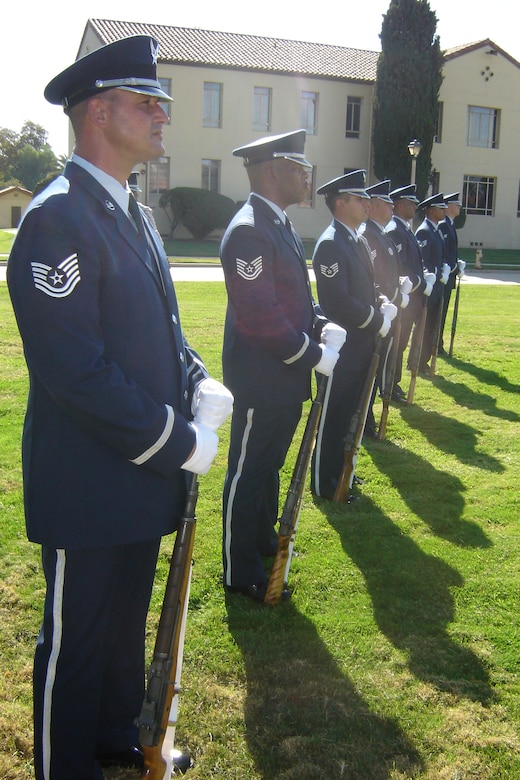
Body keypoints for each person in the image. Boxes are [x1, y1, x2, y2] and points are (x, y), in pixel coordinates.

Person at [7, 35, 232, 780]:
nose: (163, 116)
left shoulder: (130, 211)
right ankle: (62, 768)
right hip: (88, 483)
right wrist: (178, 441)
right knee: (75, 646)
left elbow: (158, 331)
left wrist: (196, 379)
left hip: (137, 479)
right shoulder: (56, 218)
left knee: (123, 632)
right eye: (149, 103)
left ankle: (111, 746)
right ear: (99, 112)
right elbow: (77, 373)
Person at [220, 130, 345, 601]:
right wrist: (314, 354)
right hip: (260, 375)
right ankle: (238, 568)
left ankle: (260, 541)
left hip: (284, 374)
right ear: (271, 172)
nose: (306, 176)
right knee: (248, 471)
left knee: (268, 466)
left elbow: (295, 302)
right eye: (298, 168)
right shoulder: (251, 229)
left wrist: (321, 324)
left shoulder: (281, 225)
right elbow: (260, 317)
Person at [310, 171, 397, 500]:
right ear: (340, 203)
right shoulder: (332, 243)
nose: (366, 203)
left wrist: (383, 301)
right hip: (343, 348)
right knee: (334, 415)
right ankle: (323, 481)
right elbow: (337, 302)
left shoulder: (356, 238)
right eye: (359, 199)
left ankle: (343, 471)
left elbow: (369, 286)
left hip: (361, 346)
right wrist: (376, 320)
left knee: (352, 414)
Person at [362, 180, 411, 407]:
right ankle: (367, 415)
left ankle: (374, 405)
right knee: (375, 363)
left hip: (389, 309)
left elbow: (389, 272)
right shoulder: (370, 234)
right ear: (371, 206)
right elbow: (378, 278)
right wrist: (396, 298)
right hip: (382, 309)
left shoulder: (380, 233)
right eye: (386, 203)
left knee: (385, 359)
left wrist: (400, 285)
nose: (392, 207)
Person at [386, 185, 436, 395]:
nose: (415, 206)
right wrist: (421, 283)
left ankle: (393, 382)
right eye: (410, 202)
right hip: (405, 298)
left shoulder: (405, 228)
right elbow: (402, 267)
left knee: (402, 342)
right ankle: (389, 384)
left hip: (412, 299)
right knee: (397, 344)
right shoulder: (395, 230)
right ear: (398, 205)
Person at [414, 192, 450, 376]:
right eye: (440, 207)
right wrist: (435, 272)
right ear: (430, 210)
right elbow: (423, 261)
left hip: (437, 288)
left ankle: (424, 360)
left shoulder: (436, 229)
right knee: (424, 327)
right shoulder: (424, 231)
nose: (444, 210)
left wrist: (444, 267)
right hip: (429, 288)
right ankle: (418, 362)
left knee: (432, 326)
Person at [438, 192, 464, 355]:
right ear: (448, 207)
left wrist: (457, 265)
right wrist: (453, 268)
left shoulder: (450, 224)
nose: (459, 207)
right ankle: (436, 343)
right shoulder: (443, 225)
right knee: (439, 313)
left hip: (449, 275)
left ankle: (438, 342)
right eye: (456, 204)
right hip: (444, 276)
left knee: (443, 312)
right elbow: (444, 252)